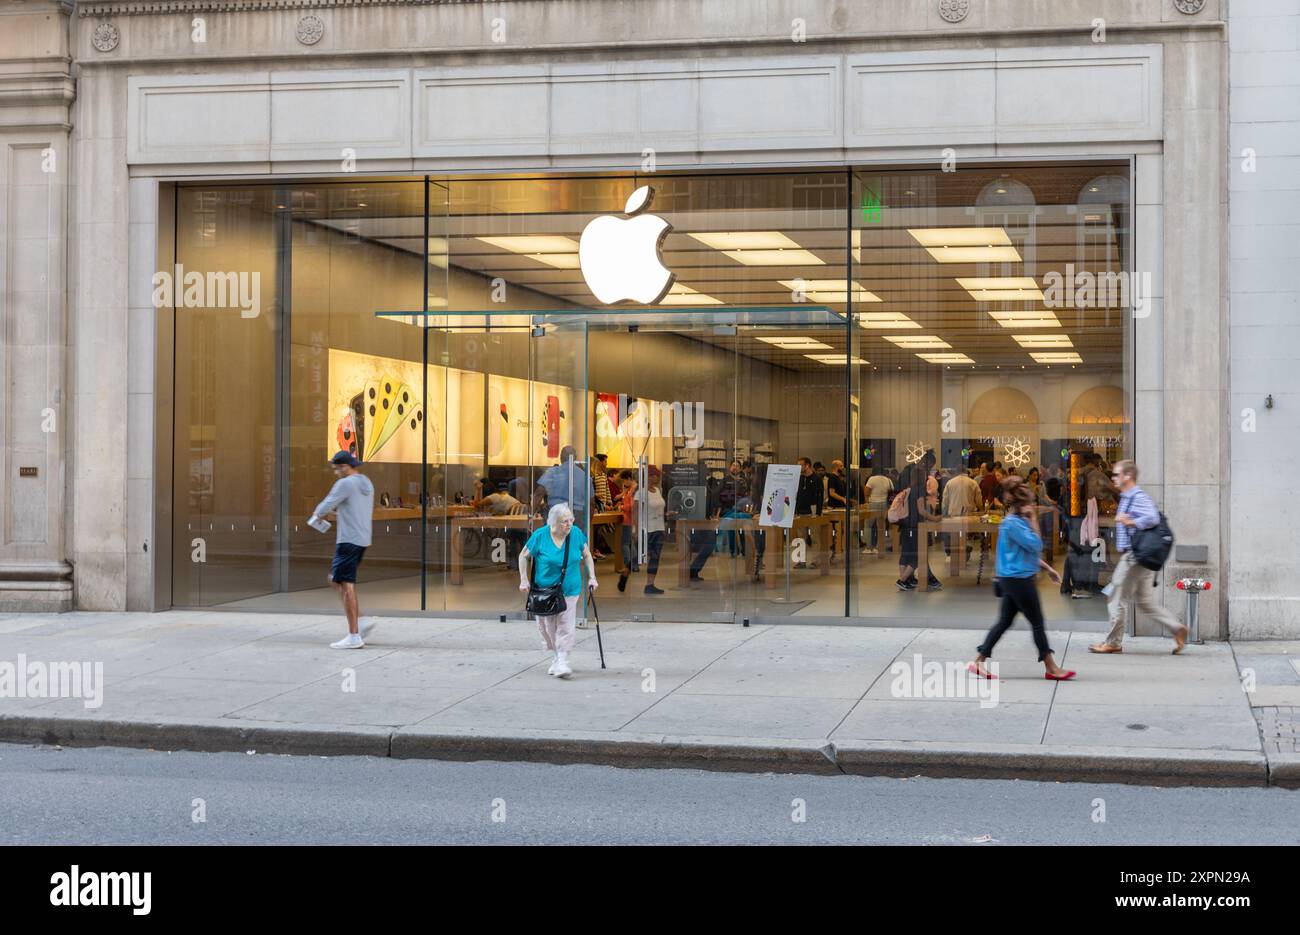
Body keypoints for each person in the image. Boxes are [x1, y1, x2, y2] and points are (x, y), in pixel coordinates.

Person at [971, 476, 1075, 681]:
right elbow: (1036, 545)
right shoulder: (1014, 524)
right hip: (1019, 580)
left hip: (1014, 578)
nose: (1033, 506)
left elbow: (1025, 553)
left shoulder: (1015, 522)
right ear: (1023, 503)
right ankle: (1051, 667)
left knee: (1004, 622)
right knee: (1037, 622)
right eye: (1030, 502)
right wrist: (1034, 520)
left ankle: (979, 661)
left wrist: (1048, 569)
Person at [1088, 460, 1188, 655]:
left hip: (1134, 557)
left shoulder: (1138, 496)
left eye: (1116, 475)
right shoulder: (1126, 497)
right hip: (1140, 558)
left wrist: (1129, 521)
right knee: (1145, 602)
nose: (1113, 478)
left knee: (1116, 598)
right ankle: (1176, 628)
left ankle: (1113, 642)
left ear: (1128, 476)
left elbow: (1152, 518)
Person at [518, 502, 597, 679]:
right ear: (553, 522)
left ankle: (562, 659)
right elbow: (523, 556)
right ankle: (557, 656)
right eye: (564, 521)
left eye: (571, 520)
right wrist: (524, 579)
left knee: (565, 624)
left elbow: (587, 555)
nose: (569, 524)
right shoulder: (540, 536)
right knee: (547, 627)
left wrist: (592, 577)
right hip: (544, 590)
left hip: (569, 589)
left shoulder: (576, 534)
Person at [311, 451, 377, 650]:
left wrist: (318, 514)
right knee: (335, 579)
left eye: (337, 468)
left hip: (348, 540)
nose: (336, 472)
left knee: (346, 585)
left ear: (345, 466)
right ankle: (361, 620)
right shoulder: (366, 482)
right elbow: (354, 509)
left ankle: (354, 635)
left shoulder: (345, 483)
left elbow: (325, 505)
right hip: (362, 538)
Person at [898, 450, 941, 592]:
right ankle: (902, 580)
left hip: (904, 524)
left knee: (905, 553)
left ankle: (905, 582)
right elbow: (921, 510)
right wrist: (935, 518)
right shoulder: (919, 490)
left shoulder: (909, 488)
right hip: (915, 525)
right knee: (918, 554)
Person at [533, 445, 594, 532]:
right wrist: (587, 524)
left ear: (561, 458)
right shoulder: (585, 476)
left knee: (555, 543)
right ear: (575, 458)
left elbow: (539, 493)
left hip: (556, 513)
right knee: (574, 544)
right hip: (577, 516)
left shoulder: (553, 472)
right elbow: (591, 503)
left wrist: (531, 514)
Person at [634, 466, 668, 595]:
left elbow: (659, 508)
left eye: (657, 475)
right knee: (638, 556)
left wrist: (666, 515)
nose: (657, 478)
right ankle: (625, 573)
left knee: (655, 556)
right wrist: (636, 531)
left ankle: (650, 584)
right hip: (646, 529)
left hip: (659, 528)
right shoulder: (640, 493)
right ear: (647, 476)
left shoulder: (658, 491)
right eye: (654, 475)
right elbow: (636, 512)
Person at [794, 456, 824, 569]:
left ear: (807, 465)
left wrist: (818, 512)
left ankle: (815, 561)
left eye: (800, 465)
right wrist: (795, 510)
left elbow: (820, 496)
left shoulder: (817, 478)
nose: (798, 467)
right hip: (800, 512)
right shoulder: (799, 479)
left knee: (815, 537)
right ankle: (801, 561)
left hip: (813, 512)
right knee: (800, 538)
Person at [863, 466, 893, 554]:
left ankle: (869, 547)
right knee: (881, 526)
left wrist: (867, 502)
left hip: (873, 504)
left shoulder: (871, 479)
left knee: (868, 525)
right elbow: (891, 492)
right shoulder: (888, 480)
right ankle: (878, 547)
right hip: (884, 504)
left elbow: (866, 492)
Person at [826, 459, 848, 562]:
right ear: (836, 467)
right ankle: (832, 549)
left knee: (841, 530)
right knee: (834, 529)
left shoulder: (839, 478)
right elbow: (831, 493)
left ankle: (838, 548)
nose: (842, 467)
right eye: (841, 466)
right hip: (834, 507)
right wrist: (842, 499)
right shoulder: (832, 478)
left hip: (840, 507)